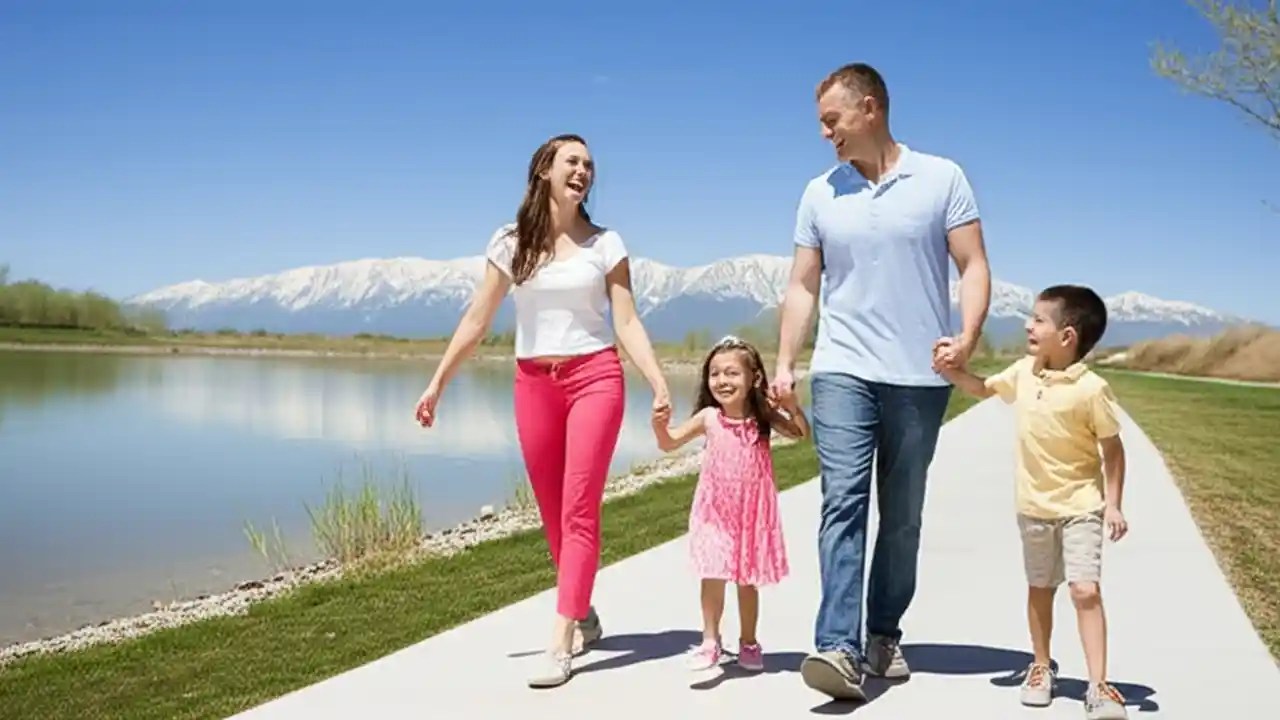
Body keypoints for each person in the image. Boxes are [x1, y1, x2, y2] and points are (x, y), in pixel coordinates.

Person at [414, 133, 671, 689]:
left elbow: (626, 321)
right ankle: (583, 610)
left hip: (594, 378)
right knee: (553, 514)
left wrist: (656, 381)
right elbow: (477, 320)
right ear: (543, 173)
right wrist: (437, 382)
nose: (584, 171)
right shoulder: (510, 244)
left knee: (580, 508)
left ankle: (560, 642)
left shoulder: (607, 244)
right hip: (533, 383)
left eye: (590, 165)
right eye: (572, 162)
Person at [770, 62, 993, 701]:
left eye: (831, 120)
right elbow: (802, 285)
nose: (824, 133)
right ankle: (837, 647)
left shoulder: (942, 178)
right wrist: (787, 363)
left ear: (869, 109)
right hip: (841, 369)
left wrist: (968, 337)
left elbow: (974, 265)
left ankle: (883, 631)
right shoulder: (819, 193)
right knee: (842, 501)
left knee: (901, 517)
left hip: (921, 377)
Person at [934, 285, 1130, 720]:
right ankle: (1040, 667)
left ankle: (1099, 686)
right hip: (1034, 507)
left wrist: (1113, 504)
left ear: (1068, 336)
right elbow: (984, 388)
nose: (1028, 324)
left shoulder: (1092, 389)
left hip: (1082, 506)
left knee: (1084, 590)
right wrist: (950, 372)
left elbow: (1113, 450)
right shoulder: (1024, 371)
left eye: (1039, 319)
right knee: (1040, 589)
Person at [650, 335, 808, 673]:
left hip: (751, 514)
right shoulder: (709, 417)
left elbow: (800, 433)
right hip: (714, 513)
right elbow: (669, 443)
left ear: (754, 379)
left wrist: (791, 405)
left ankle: (749, 642)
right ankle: (710, 640)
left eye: (732, 373)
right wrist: (659, 426)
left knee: (746, 579)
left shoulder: (763, 417)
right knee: (712, 573)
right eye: (715, 374)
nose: (722, 380)